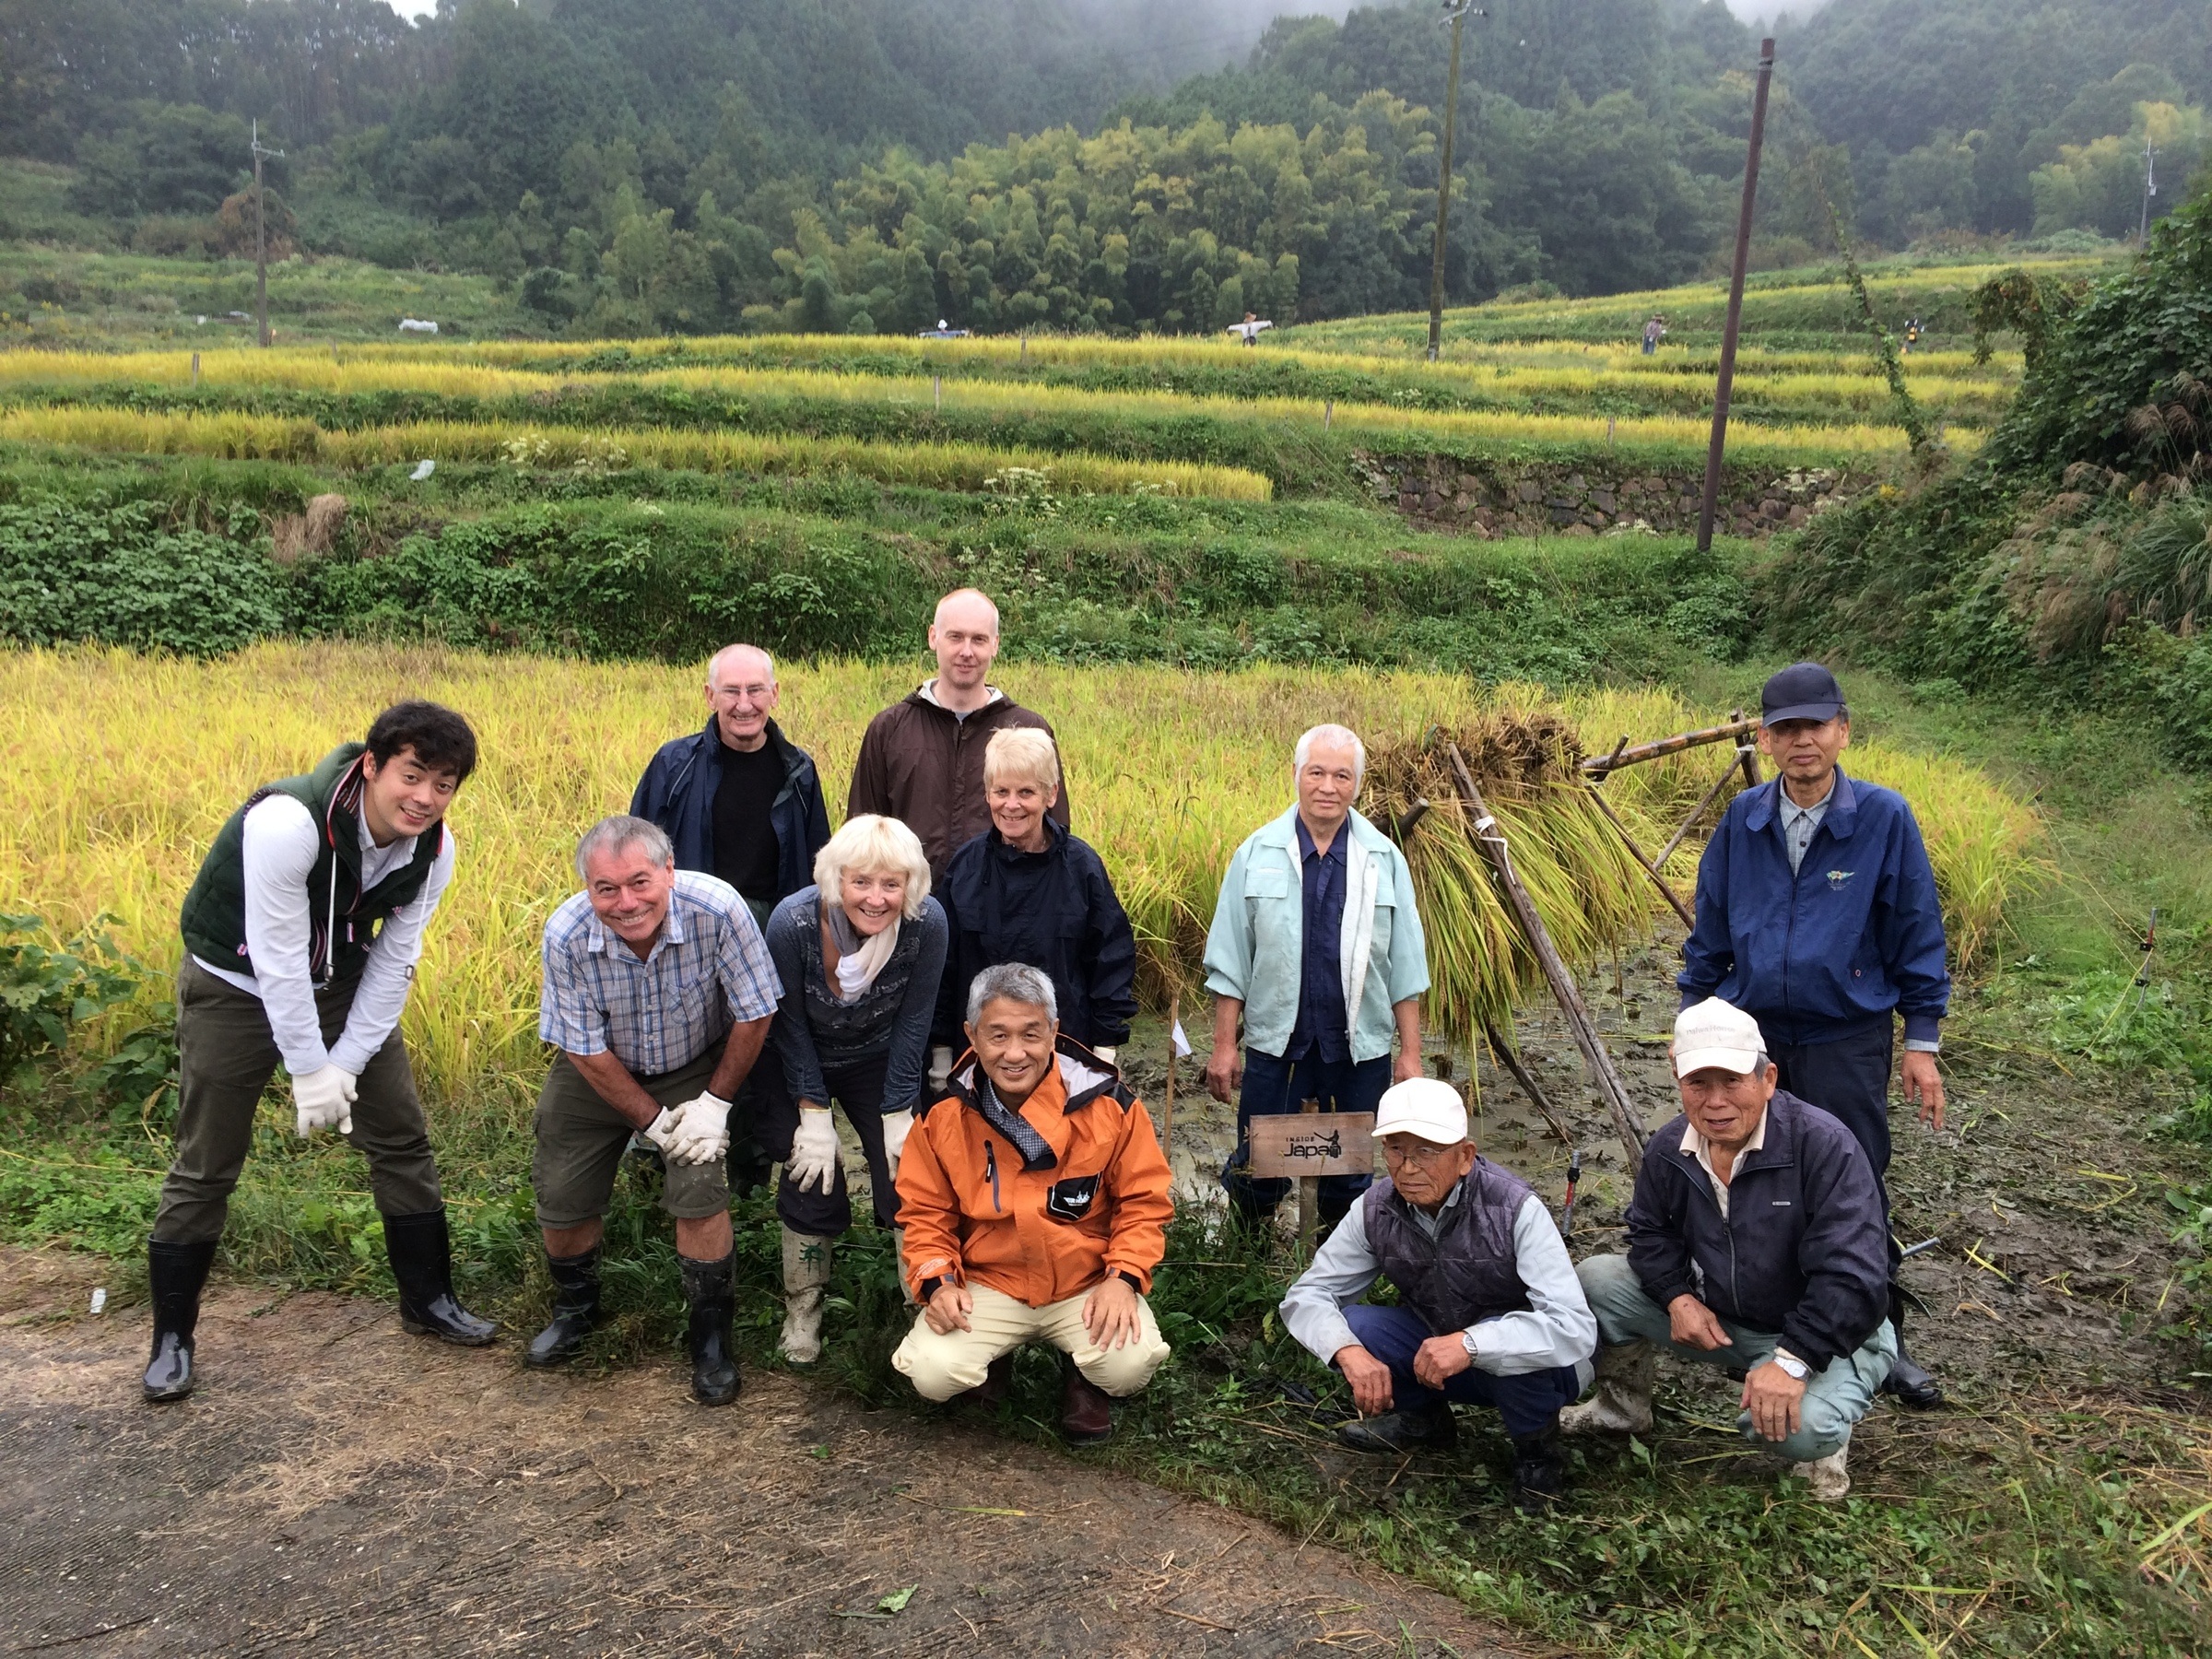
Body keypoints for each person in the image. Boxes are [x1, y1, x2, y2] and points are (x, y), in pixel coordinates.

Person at [144, 702, 496, 1402]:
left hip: (339, 980)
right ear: (372, 766)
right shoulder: (287, 823)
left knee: (401, 1137)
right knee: (207, 1162)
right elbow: (276, 959)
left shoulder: (435, 850)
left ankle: (428, 1301)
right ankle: (171, 1338)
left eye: (444, 784)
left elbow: (395, 961)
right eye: (411, 775)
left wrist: (347, 1064)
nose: (425, 798)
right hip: (235, 983)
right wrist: (309, 1072)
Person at [1679, 661, 1949, 1409]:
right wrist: (1693, 1023)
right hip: (1756, 1037)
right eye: (1787, 728)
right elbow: (1710, 930)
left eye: (1817, 726)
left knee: (1855, 1176)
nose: (1803, 741)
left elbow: (1917, 928)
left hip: (1845, 1034)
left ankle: (1881, 1341)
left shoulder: (1883, 819)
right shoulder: (1745, 821)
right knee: (1751, 1168)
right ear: (1766, 740)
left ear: (1843, 732)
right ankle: (1777, 1323)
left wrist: (1922, 1041)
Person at [1561, 998, 1896, 1501]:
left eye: (1733, 1082)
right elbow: (1649, 1233)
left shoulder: (1824, 1145)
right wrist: (1676, 1296)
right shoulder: (1669, 1149)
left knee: (1799, 1429)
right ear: (1679, 1083)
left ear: (1768, 1079)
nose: (1715, 1102)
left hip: (1824, 1331)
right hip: (1726, 1318)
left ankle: (1824, 1440)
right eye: (1698, 1083)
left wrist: (1793, 1360)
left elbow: (1853, 1277)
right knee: (1596, 1281)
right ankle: (1622, 1410)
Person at [527, 816, 780, 1406]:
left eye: (639, 882)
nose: (626, 903)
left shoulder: (718, 909)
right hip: (597, 1069)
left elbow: (756, 1010)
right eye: (606, 889)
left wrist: (714, 1105)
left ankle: (710, 1338)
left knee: (699, 1189)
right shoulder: (566, 934)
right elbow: (583, 1048)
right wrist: (655, 1124)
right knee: (561, 1192)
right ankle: (575, 1310)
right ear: (588, 888)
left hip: (692, 1060)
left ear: (669, 870)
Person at [1279, 1078, 1596, 1512]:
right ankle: (1424, 1421)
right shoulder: (1375, 1208)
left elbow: (1573, 1327)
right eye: (1395, 1150)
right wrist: (1347, 1352)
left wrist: (1472, 1344)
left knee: (1517, 1340)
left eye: (1426, 1152)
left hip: (1537, 1372)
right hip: (1436, 1349)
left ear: (1465, 1156)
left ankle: (1538, 1457)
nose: (1407, 1169)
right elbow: (1309, 1294)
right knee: (1357, 1327)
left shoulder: (1515, 1209)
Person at [891, 963, 1173, 1442]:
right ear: (972, 1036)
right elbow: (925, 1216)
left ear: (1054, 1032)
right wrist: (939, 1285)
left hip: (1085, 1281)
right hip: (990, 1281)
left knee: (1128, 1367)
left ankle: (1082, 1375)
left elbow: (1143, 1203)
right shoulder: (942, 1118)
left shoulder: (1112, 1105)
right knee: (932, 1373)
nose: (1015, 1053)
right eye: (998, 1035)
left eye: (1030, 1034)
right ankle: (994, 1359)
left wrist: (1122, 1279)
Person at [1203, 724, 1430, 1230]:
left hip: (1358, 1051)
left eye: (1342, 776)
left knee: (1349, 1174)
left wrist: (1410, 1055)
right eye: (1317, 773)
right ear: (1296, 775)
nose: (1328, 787)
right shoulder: (1256, 853)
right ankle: (1249, 1258)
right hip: (1277, 1047)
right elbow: (1232, 959)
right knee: (1258, 1168)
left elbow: (1406, 965)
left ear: (1357, 785)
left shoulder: (1383, 859)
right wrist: (1223, 1046)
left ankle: (1339, 1264)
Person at [630, 641, 831, 1190]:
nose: (744, 703)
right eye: (732, 691)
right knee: (684, 1036)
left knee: (760, 1042)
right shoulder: (675, 764)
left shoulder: (798, 769)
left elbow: (820, 861)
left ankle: (748, 1166)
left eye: (755, 690)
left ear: (775, 694)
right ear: (710, 695)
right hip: (691, 921)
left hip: (770, 922)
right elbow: (636, 847)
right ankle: (662, 1156)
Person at [758, 814, 947, 1364]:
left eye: (891, 884)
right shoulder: (792, 924)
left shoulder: (927, 924)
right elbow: (788, 1023)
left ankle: (922, 1309)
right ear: (836, 878)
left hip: (878, 1057)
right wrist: (813, 1111)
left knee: (909, 1173)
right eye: (861, 881)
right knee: (809, 1169)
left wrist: (898, 1110)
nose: (876, 898)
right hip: (799, 1054)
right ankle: (804, 1309)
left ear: (911, 885)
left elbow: (915, 1018)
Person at [934, 727, 1136, 1088]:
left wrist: (1103, 1054)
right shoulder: (965, 868)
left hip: (1065, 1056)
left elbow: (1111, 962)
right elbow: (942, 969)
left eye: (1026, 792)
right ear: (987, 793)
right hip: (979, 1058)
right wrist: (941, 1055)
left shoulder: (1082, 868)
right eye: (1001, 792)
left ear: (1050, 794)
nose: (1011, 805)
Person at [846, 588, 1068, 887]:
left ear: (995, 644)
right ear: (933, 637)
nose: (967, 651)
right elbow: (861, 836)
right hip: (913, 906)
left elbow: (1057, 836)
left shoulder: (1029, 730)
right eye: (955, 637)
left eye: (979, 639)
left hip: (1006, 907)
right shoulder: (889, 730)